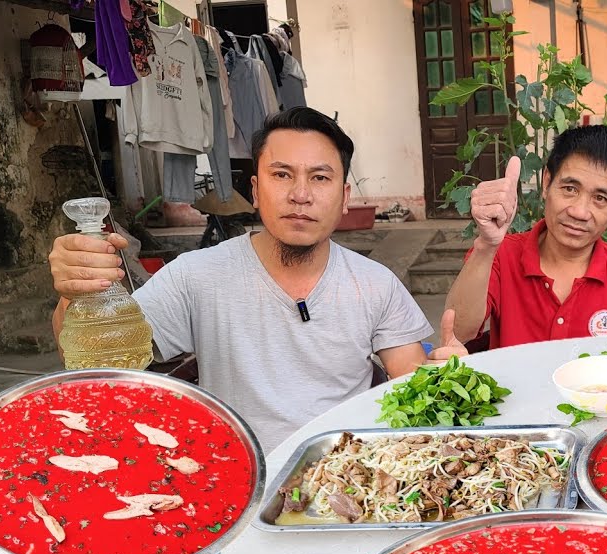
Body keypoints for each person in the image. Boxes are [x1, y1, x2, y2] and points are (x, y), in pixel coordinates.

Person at [48, 107, 467, 451]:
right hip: (234, 479)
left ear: (344, 197)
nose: (300, 194)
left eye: (320, 178)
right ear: (255, 188)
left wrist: (443, 374)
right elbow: (86, 358)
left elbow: (410, 381)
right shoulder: (197, 277)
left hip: (345, 475)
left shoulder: (375, 284)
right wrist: (75, 295)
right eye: (282, 174)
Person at [444, 125, 607, 349]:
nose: (579, 212)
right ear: (546, 182)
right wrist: (486, 245)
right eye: (570, 189)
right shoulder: (501, 255)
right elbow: (457, 333)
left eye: (600, 198)